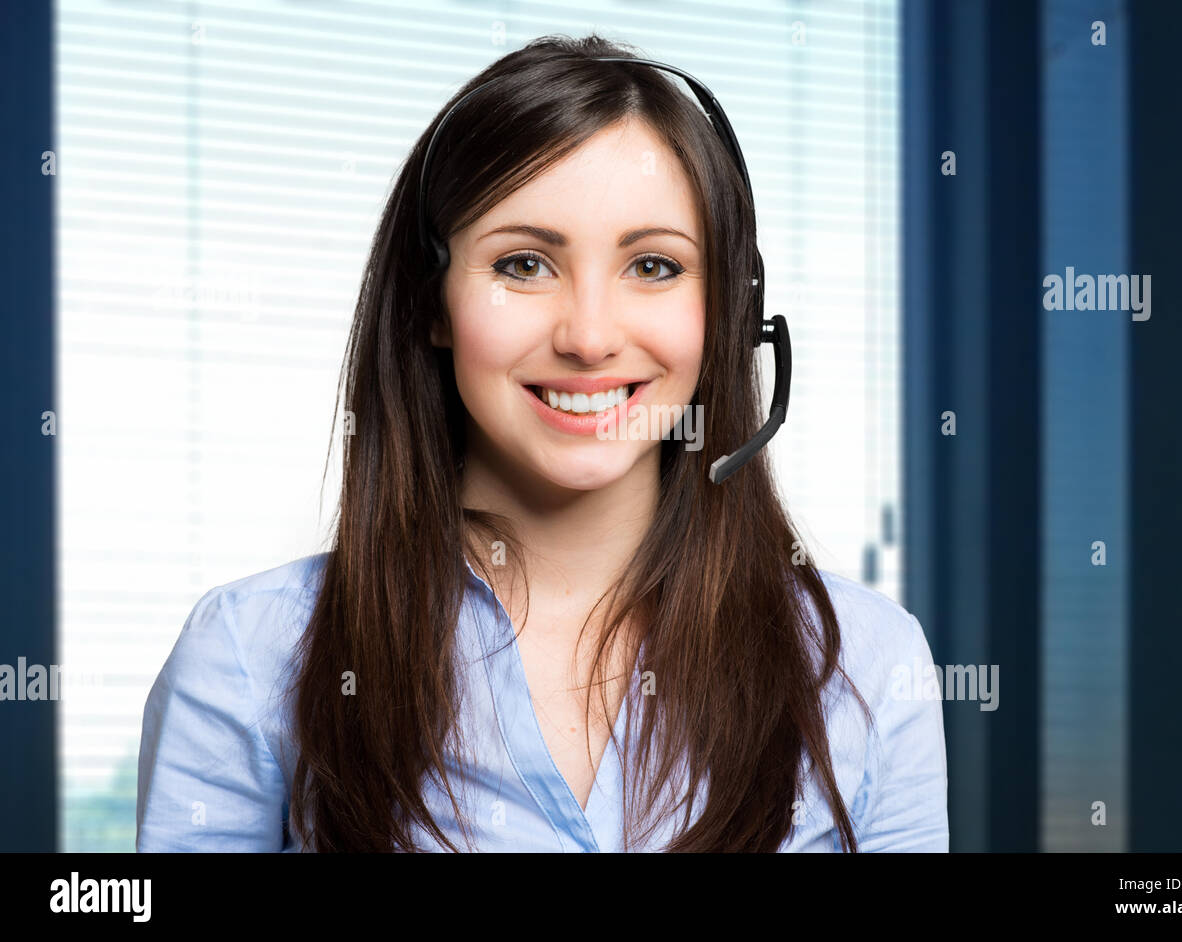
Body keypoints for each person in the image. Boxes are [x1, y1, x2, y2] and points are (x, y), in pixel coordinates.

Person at [136, 33, 947, 853]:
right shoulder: (249, 656)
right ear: (430, 301)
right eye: (523, 264)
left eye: (655, 266)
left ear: (731, 314)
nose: (589, 337)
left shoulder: (870, 669)